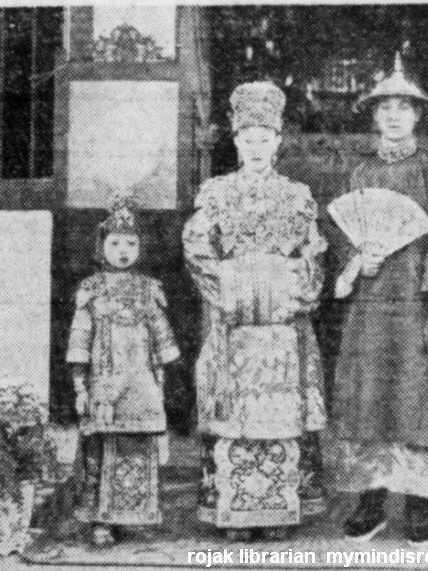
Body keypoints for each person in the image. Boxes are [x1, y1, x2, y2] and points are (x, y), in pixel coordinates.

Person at [331, 53, 428, 546]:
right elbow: (339, 237)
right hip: (370, 305)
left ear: (418, 115)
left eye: (404, 107)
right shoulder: (359, 174)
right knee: (369, 395)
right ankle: (370, 500)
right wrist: (357, 262)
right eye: (385, 107)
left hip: (417, 304)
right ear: (373, 116)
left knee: (417, 397)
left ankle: (418, 505)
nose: (394, 115)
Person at [183, 81, 327, 541]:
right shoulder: (216, 192)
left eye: (266, 138)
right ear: (237, 142)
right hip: (234, 321)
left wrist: (291, 292)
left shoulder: (298, 194)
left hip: (284, 324)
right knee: (234, 414)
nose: (258, 147)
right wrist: (232, 287)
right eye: (249, 139)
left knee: (283, 412)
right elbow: (196, 246)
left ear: (278, 142)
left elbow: (313, 253)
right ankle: (234, 509)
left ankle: (281, 508)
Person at [67, 194, 180, 546]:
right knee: (101, 448)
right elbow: (80, 341)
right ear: (101, 246)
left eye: (131, 243)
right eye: (114, 243)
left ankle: (135, 512)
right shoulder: (91, 290)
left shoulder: (149, 290)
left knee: (138, 445)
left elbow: (162, 340)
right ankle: (101, 521)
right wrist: (81, 388)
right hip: (105, 382)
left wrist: (161, 381)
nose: (123, 250)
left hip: (142, 381)